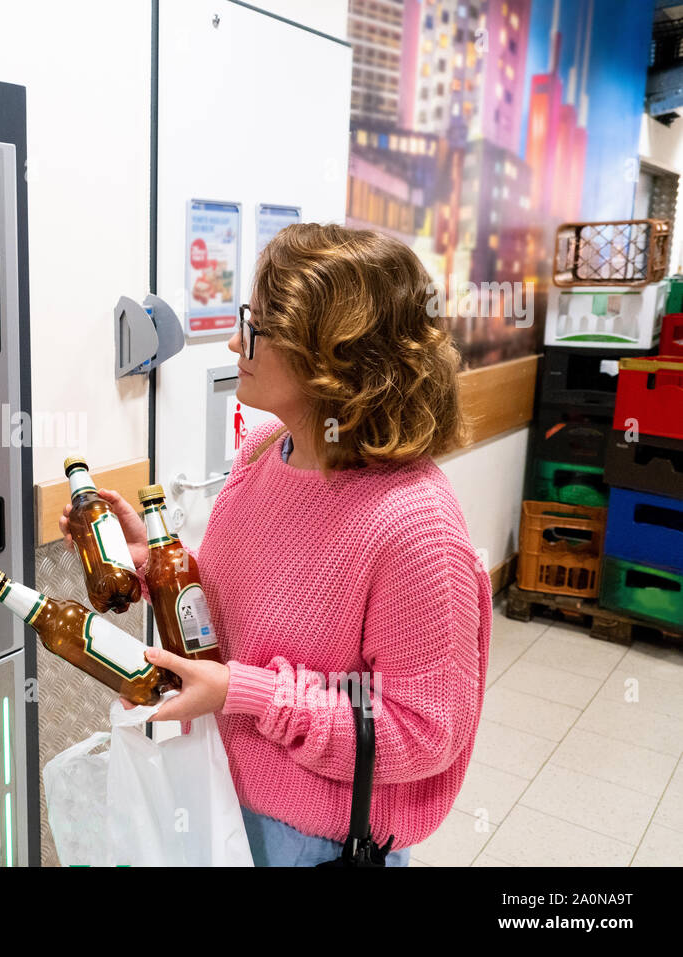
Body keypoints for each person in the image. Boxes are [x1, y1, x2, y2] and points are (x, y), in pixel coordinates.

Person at [60, 223, 492, 866]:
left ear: (333, 357)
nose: (235, 342)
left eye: (256, 327)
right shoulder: (265, 452)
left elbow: (421, 733)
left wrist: (244, 693)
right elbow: (246, 604)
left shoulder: (416, 531)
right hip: (217, 785)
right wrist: (153, 565)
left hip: (310, 838)